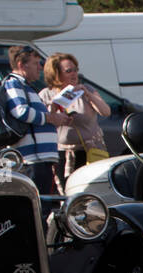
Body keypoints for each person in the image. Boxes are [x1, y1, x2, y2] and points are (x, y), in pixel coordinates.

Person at [1, 46, 71, 194]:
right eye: (35, 63)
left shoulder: (25, 86)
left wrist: (52, 115)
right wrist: (51, 118)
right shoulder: (14, 83)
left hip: (40, 158)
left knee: (44, 203)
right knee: (39, 204)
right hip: (32, 160)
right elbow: (21, 111)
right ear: (21, 64)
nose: (40, 68)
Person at [40, 52, 111, 184]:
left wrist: (88, 94)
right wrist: (65, 98)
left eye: (75, 70)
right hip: (63, 154)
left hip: (90, 150)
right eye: (68, 71)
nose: (74, 74)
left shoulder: (85, 90)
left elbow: (106, 111)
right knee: (67, 190)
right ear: (56, 73)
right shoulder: (46, 94)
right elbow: (46, 121)